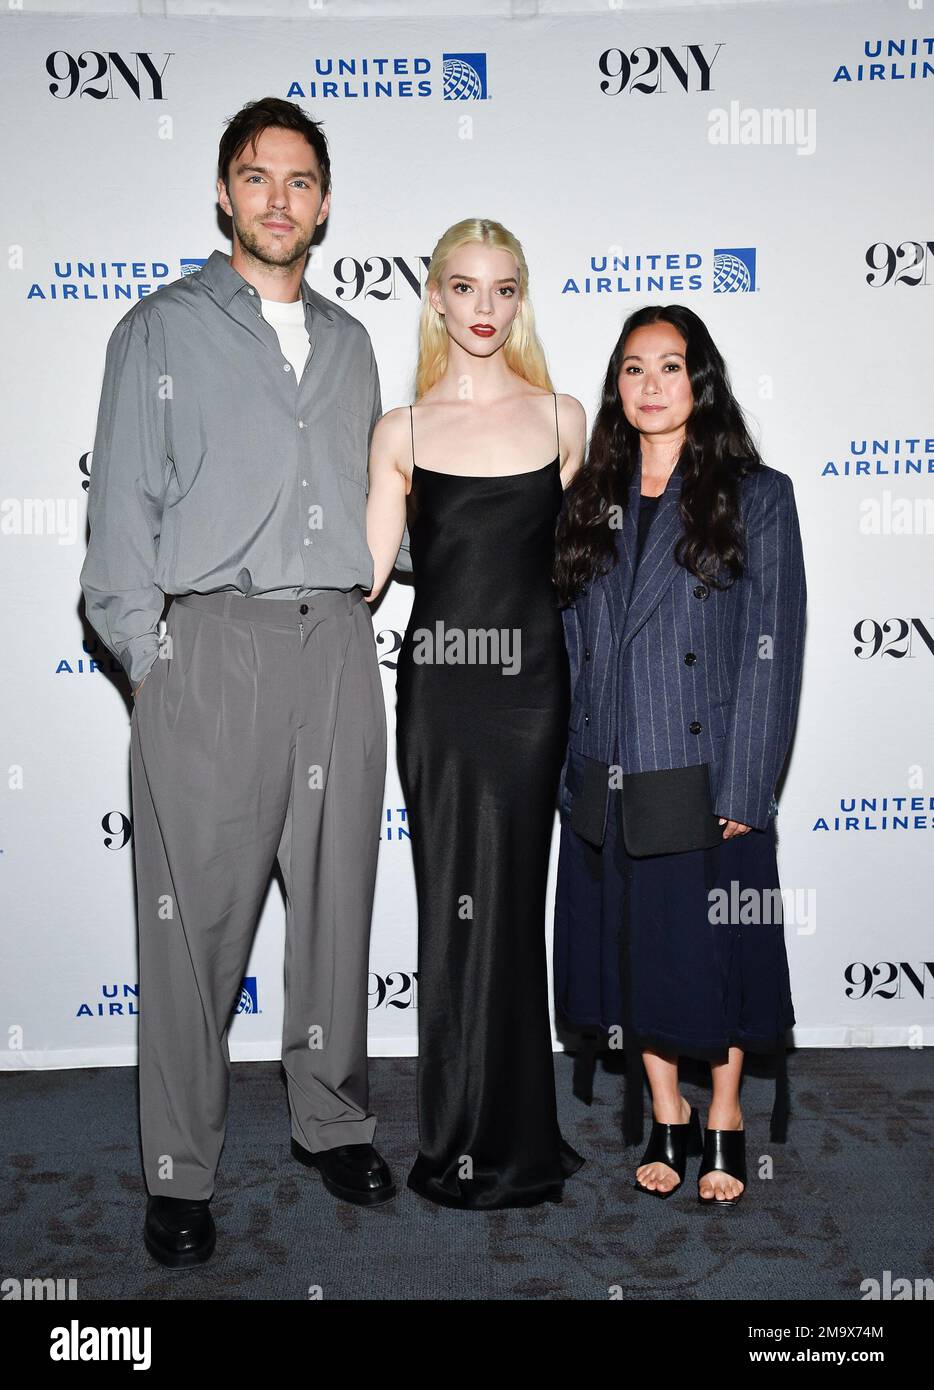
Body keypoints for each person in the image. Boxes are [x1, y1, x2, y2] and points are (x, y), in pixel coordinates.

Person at [80, 97, 399, 1267]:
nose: (279, 198)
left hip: (341, 650)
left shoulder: (358, 342)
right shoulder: (159, 331)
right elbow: (119, 522)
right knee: (191, 933)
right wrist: (154, 667)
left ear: (324, 199)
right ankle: (180, 1169)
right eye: (256, 177)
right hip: (208, 647)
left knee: (335, 911)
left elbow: (394, 515)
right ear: (224, 192)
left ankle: (331, 1117)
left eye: (301, 180)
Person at [553, 304, 806, 1205]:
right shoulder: (588, 493)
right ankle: (665, 1111)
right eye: (632, 368)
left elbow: (775, 649)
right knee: (638, 956)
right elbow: (574, 645)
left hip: (705, 774)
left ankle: (726, 1112)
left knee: (716, 957)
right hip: (608, 771)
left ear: (700, 381)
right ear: (616, 386)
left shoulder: (757, 493)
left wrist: (749, 784)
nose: (650, 385)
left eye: (670, 366)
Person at [365, 219, 587, 1208]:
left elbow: (583, 568)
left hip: (534, 691)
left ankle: (525, 1133)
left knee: (513, 905)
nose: (484, 307)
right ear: (437, 300)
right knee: (452, 907)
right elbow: (362, 578)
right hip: (445, 697)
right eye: (465, 287)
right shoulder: (399, 429)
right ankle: (457, 1137)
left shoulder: (564, 418)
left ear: (520, 299)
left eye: (502, 288)